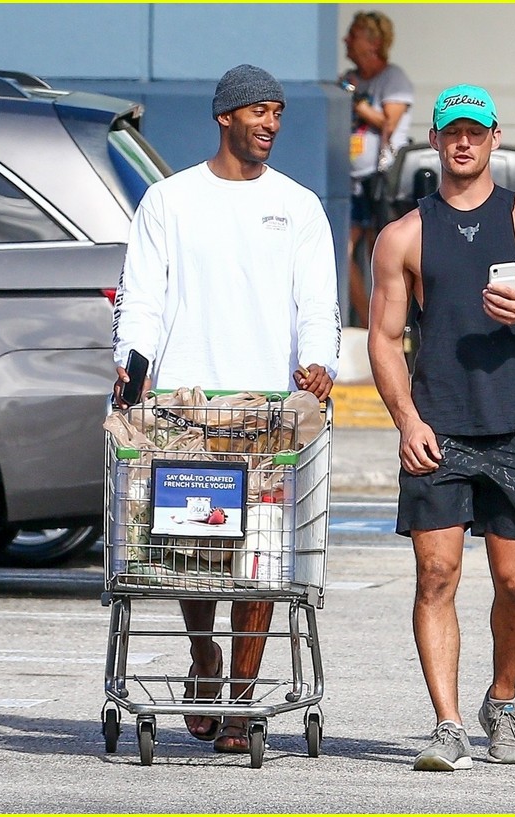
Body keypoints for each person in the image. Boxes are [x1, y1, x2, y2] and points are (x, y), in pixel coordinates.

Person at [111, 64, 340, 754]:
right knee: (195, 553)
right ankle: (204, 655)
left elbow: (317, 300)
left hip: (268, 409)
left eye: (277, 112)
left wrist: (320, 365)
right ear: (224, 117)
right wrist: (133, 360)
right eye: (258, 112)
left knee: (262, 558)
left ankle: (240, 701)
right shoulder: (170, 200)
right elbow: (143, 295)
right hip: (186, 402)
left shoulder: (298, 205)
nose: (270, 123)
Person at [367, 84, 515, 771]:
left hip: (514, 420)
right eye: (451, 132)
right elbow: (382, 336)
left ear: (495, 138)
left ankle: (504, 698)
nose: (463, 142)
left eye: (475, 131)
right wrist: (406, 420)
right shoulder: (403, 235)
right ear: (433, 142)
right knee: (436, 573)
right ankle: (449, 722)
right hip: (437, 426)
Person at [341, 10, 413, 328]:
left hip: (381, 180)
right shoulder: (350, 77)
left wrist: (357, 102)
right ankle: (369, 321)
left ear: (372, 42)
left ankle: (389, 321)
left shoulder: (393, 78)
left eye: (353, 34)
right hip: (352, 181)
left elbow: (389, 122)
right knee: (342, 250)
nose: (345, 41)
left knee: (381, 252)